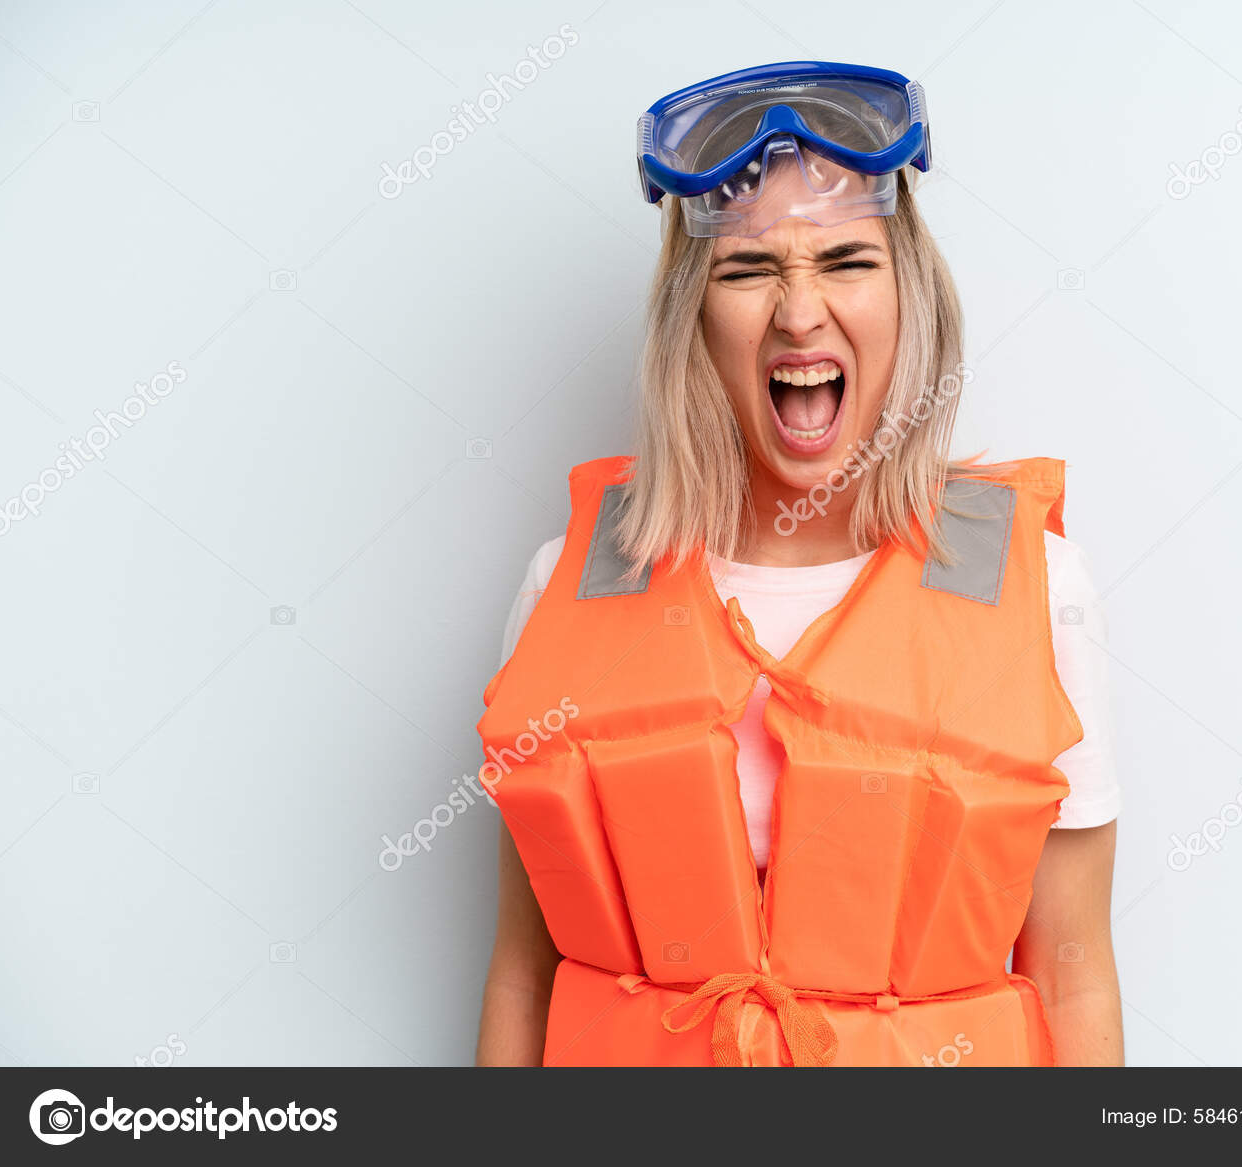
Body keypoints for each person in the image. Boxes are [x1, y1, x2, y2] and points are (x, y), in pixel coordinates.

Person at [475, 61, 1122, 1066]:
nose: (799, 312)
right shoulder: (568, 582)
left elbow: (1073, 973)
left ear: (909, 293)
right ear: (690, 315)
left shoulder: (1034, 591)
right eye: (746, 271)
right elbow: (522, 971)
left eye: (848, 261)